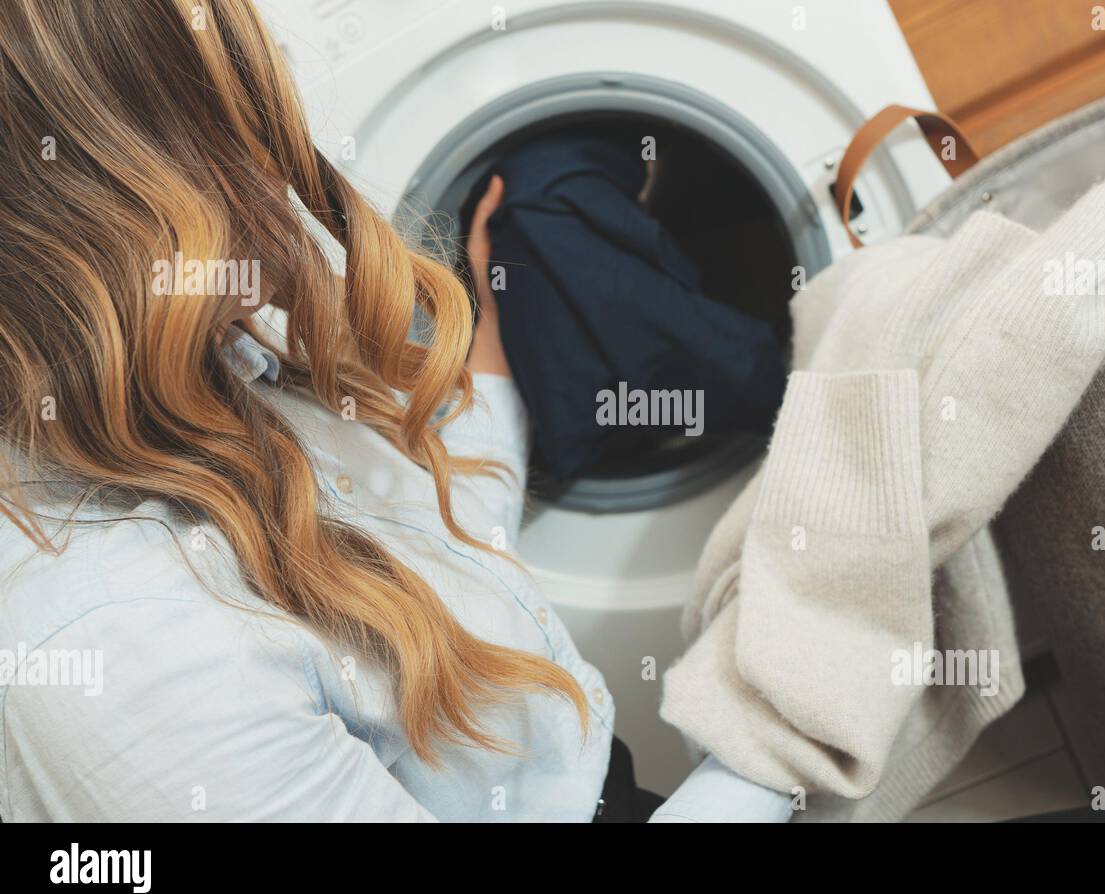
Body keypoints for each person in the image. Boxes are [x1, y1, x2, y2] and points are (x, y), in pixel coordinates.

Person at [0, 0, 786, 823]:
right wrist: (769, 740)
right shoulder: (126, 661)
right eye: (242, 125)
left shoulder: (219, 374)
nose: (283, 174)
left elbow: (425, 542)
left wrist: (510, 320)